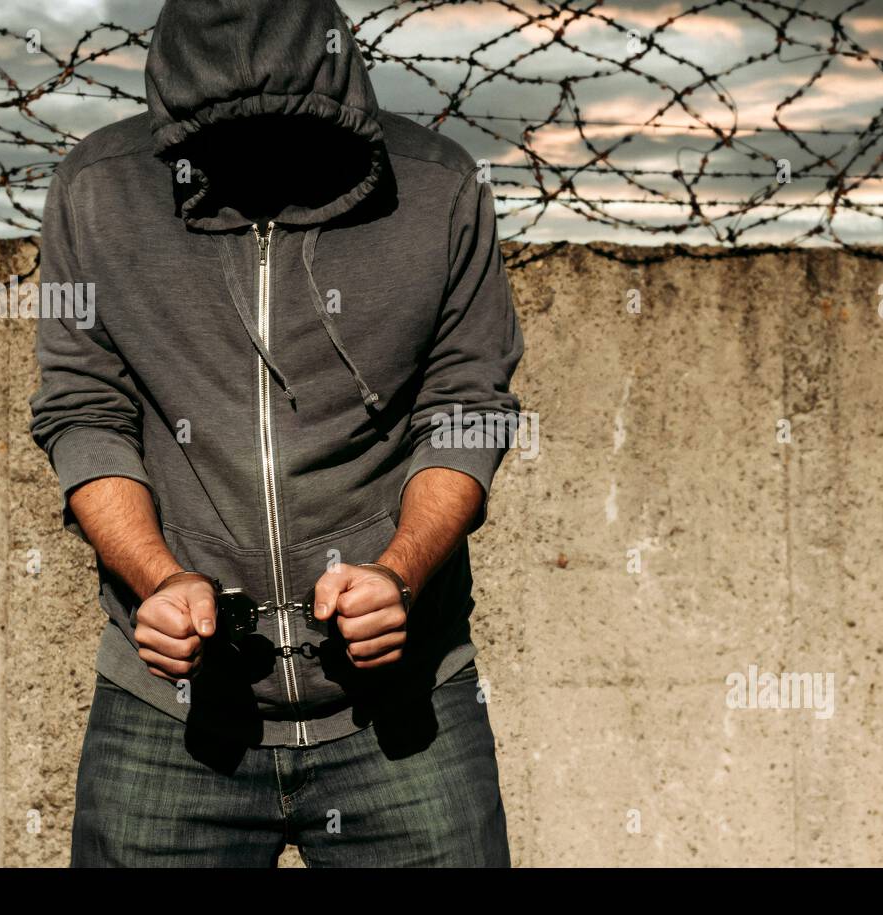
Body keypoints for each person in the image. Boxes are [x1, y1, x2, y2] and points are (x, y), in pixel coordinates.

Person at [29, 0, 523, 867]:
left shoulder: (441, 188)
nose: (257, 160)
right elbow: (85, 410)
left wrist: (399, 575)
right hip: (171, 716)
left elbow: (466, 407)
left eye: (288, 131)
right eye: (220, 138)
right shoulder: (98, 190)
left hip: (406, 712)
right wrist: (159, 579)